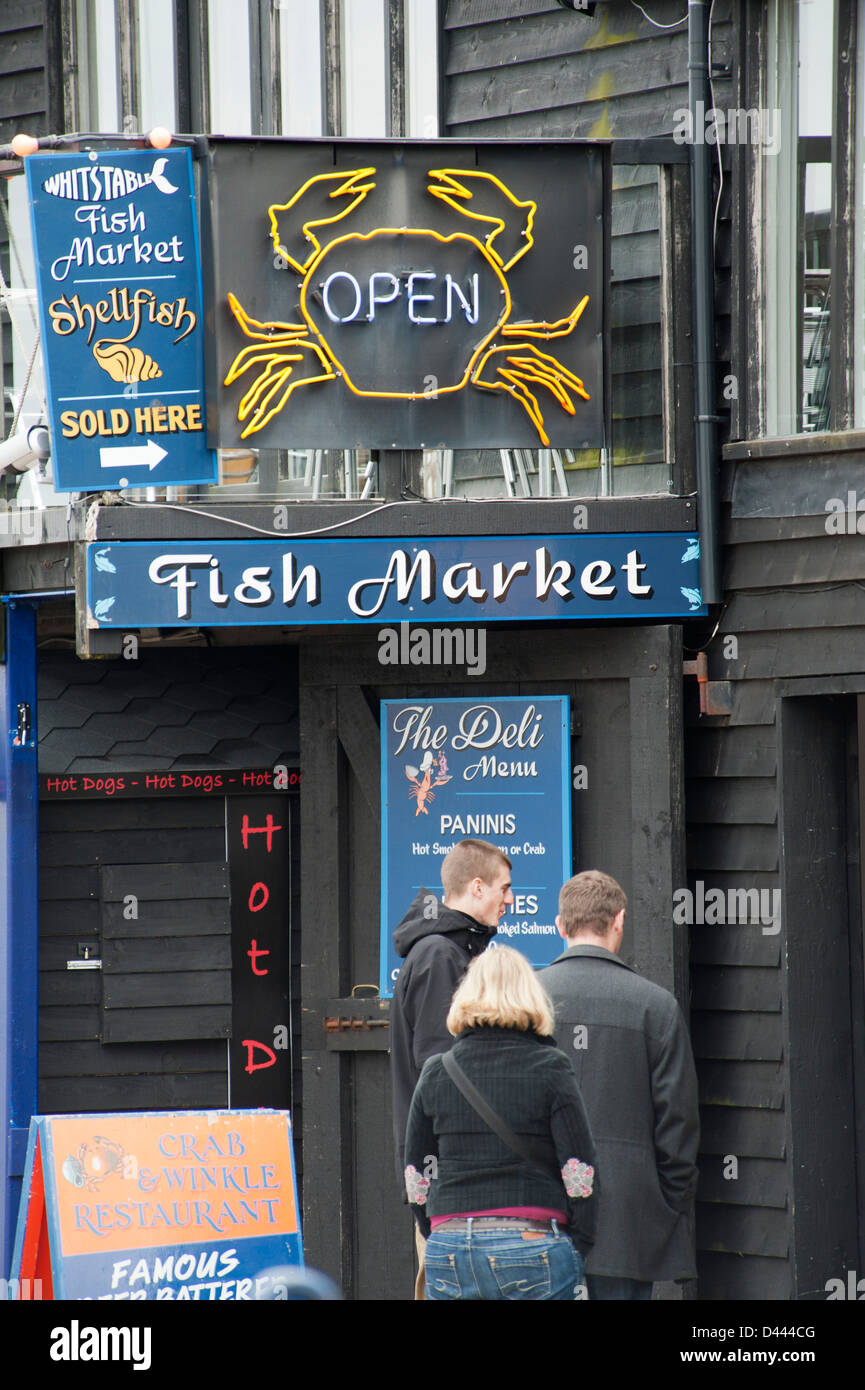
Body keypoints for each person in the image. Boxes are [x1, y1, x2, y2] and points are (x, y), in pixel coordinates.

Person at [403, 945, 597, 1300]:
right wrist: (579, 1240)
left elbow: (416, 1171)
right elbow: (579, 1167)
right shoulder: (552, 1066)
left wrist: (432, 1226)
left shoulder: (437, 1070)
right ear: (530, 996)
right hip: (533, 1240)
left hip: (450, 1243)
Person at [539, 870, 699, 1301]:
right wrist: (664, 1201)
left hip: (537, 1219)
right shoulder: (656, 1006)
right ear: (620, 921)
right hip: (628, 1220)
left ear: (560, 925)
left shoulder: (528, 1000)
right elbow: (678, 1121)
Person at [390, 838, 513, 1298]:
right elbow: (440, 1074)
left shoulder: (453, 949)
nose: (511, 899)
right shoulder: (441, 955)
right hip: (448, 1176)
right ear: (477, 887)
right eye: (504, 887)